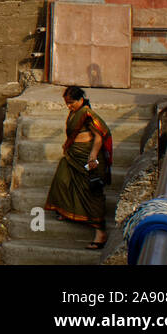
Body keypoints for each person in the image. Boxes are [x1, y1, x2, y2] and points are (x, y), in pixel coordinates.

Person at [44, 86, 111, 250]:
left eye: (71, 103)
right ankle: (66, 210)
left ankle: (100, 233)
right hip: (72, 156)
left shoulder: (87, 114)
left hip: (87, 156)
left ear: (81, 99)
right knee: (62, 179)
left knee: (90, 192)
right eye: (66, 103)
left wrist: (93, 155)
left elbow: (98, 137)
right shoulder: (75, 112)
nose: (68, 106)